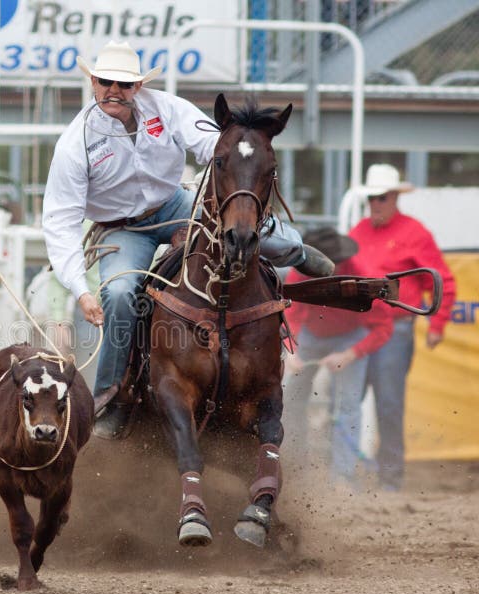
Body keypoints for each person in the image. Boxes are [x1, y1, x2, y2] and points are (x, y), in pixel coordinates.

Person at [41, 40, 334, 439]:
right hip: (123, 228)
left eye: (124, 84)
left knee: (240, 226)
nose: (114, 90)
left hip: (175, 202)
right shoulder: (75, 144)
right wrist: (79, 289)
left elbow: (217, 149)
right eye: (106, 81)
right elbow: (60, 220)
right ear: (93, 82)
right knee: (121, 292)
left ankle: (295, 249)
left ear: (138, 87)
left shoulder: (169, 110)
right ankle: (111, 395)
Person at [349, 163, 457, 490]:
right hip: (360, 330)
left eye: (381, 198)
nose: (375, 205)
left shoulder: (415, 233)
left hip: (394, 331)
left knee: (389, 403)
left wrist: (437, 323)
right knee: (347, 403)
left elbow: (441, 282)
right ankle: (343, 474)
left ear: (395, 197)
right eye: (372, 199)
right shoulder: (358, 232)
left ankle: (390, 480)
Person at [283, 227, 393, 488]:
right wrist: (290, 349)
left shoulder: (363, 277)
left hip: (350, 336)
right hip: (310, 335)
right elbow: (290, 316)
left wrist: (351, 353)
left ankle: (343, 476)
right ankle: (291, 468)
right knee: (289, 400)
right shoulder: (299, 274)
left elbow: (383, 327)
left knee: (348, 405)